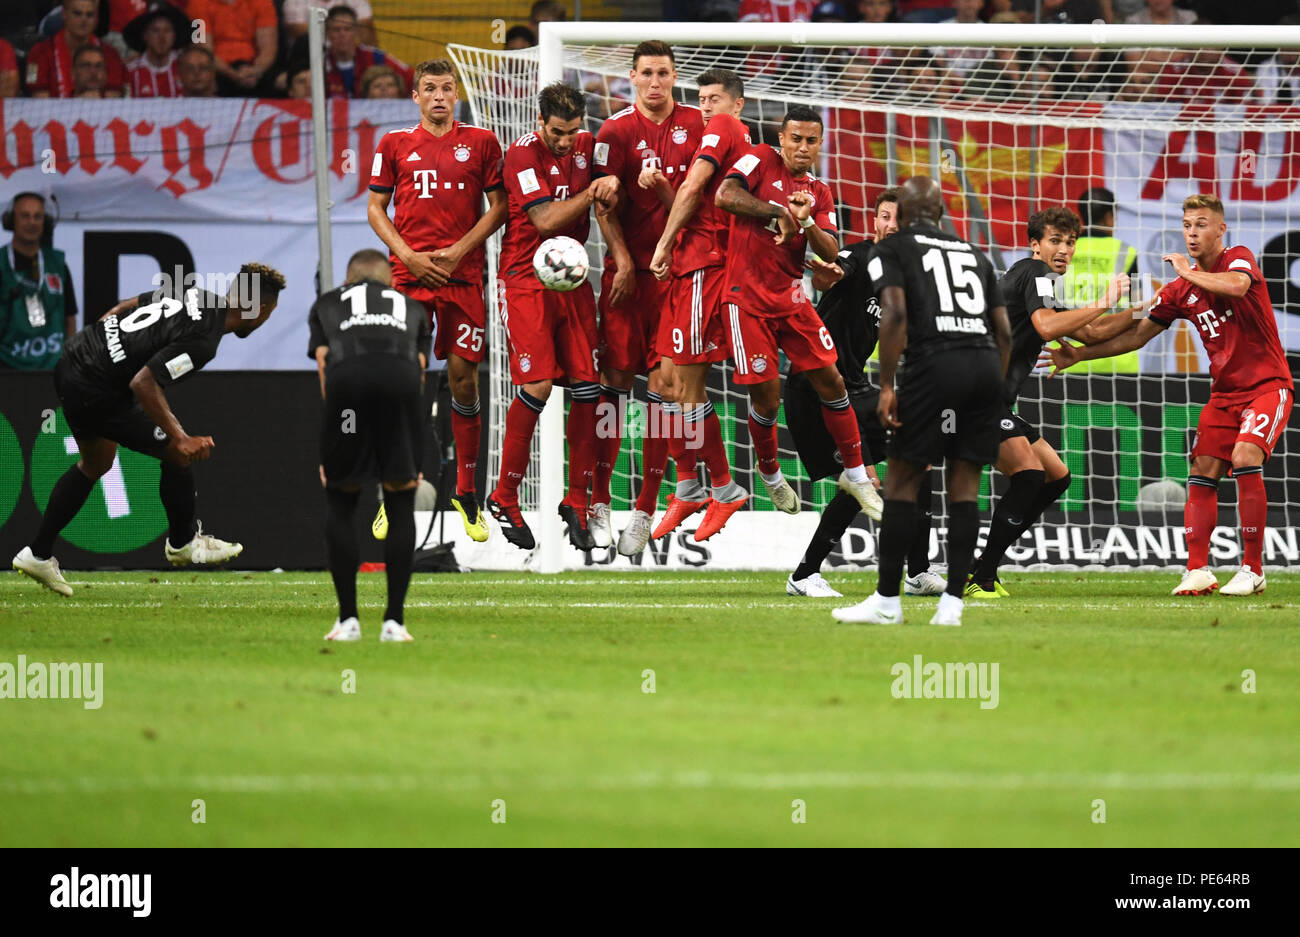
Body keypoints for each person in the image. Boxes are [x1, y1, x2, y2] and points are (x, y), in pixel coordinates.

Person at [1050, 193, 1294, 597]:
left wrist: (1188, 273)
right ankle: (1197, 569)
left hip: (1267, 387)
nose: (1192, 233)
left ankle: (1253, 569)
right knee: (1202, 469)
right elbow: (1136, 337)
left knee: (1245, 457)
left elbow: (1235, 287)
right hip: (1224, 394)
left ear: (1220, 228)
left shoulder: (1239, 258)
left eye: (1201, 224)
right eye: (1187, 225)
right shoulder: (1180, 291)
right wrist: (1079, 354)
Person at [12, 263, 286, 596]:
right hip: (95, 384)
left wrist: (103, 350)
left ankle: (38, 553)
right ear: (259, 309)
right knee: (176, 451)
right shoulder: (205, 340)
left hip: (74, 357)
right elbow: (144, 383)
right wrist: (182, 437)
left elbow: (123, 307)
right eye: (269, 313)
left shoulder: (193, 293)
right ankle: (183, 542)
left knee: (96, 463)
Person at [833, 176, 1011, 628]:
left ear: (905, 214)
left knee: (902, 482)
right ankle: (952, 604)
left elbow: (893, 312)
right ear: (942, 213)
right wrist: (996, 386)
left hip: (934, 365)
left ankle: (887, 601)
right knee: (966, 486)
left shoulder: (893, 249)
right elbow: (1004, 332)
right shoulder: (975, 253)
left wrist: (888, 384)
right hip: (985, 365)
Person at [715, 104, 881, 522]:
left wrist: (805, 223)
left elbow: (831, 251)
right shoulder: (759, 160)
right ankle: (769, 470)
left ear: (820, 143)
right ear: (781, 138)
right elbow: (725, 195)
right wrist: (779, 212)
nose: (802, 148)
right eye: (795, 139)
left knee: (832, 379)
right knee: (768, 399)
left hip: (791, 299)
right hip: (745, 298)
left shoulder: (820, 191)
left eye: (811, 141)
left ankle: (857, 474)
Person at [786, 187, 949, 598]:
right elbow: (832, 270)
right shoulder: (860, 256)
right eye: (884, 216)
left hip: (852, 386)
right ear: (875, 221)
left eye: (900, 219)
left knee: (901, 463)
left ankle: (913, 571)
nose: (891, 225)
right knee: (871, 475)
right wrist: (826, 274)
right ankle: (808, 575)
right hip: (815, 383)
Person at [368, 58, 506, 542]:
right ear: (416, 96)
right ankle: (393, 489)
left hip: (463, 278)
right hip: (408, 278)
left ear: (456, 94)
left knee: (464, 381)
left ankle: (466, 492)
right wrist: (406, 253)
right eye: (430, 89)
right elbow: (374, 207)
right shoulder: (393, 144)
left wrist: (458, 251)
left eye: (448, 88)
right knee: (400, 380)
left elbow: (501, 206)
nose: (440, 96)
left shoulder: (482, 143)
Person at [966, 207, 1130, 598]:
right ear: (1035, 245)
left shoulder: (1041, 283)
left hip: (991, 398)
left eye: (1070, 242)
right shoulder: (1036, 273)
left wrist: (1147, 312)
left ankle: (980, 566)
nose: (1064, 249)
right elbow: (1045, 326)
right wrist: (1108, 297)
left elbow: (1089, 331)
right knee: (1028, 475)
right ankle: (980, 576)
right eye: (1055, 240)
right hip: (974, 393)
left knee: (1057, 477)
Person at [486, 81, 620, 551]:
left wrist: (613, 184)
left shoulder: (588, 145)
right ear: (540, 122)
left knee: (591, 387)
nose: (566, 141)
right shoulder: (521, 155)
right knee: (539, 385)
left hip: (572, 277)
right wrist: (591, 193)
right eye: (557, 132)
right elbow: (544, 221)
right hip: (525, 278)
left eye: (573, 131)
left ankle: (578, 500)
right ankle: (503, 495)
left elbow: (608, 188)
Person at [589, 40, 705, 556]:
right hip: (626, 277)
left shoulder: (699, 127)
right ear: (631, 78)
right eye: (647, 74)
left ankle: (643, 509)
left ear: (674, 77)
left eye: (664, 73)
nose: (656, 82)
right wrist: (622, 261)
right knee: (613, 386)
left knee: (664, 389)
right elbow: (601, 204)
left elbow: (702, 202)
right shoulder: (613, 131)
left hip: (675, 278)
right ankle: (597, 502)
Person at [646, 67, 752, 543]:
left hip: (704, 269)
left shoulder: (725, 128)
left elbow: (693, 194)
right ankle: (688, 484)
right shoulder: (722, 136)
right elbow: (697, 200)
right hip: (691, 267)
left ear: (737, 104)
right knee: (667, 383)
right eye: (702, 99)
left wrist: (663, 245)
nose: (706, 106)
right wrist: (664, 190)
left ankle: (725, 487)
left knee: (688, 386)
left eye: (714, 98)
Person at [311, 249, 429, 644]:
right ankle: (394, 622)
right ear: (389, 280)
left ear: (348, 280)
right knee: (399, 496)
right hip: (400, 386)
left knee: (341, 496)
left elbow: (325, 362)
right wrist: (412, 438)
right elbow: (420, 368)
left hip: (348, 391)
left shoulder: (327, 304)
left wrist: (336, 433)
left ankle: (348, 622)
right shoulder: (411, 306)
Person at [1, 193, 77, 372]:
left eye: (38, 217)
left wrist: (67, 360)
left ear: (46, 223)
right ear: (11, 221)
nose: (32, 222)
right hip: (6, 370)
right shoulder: (2, 263)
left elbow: (70, 318)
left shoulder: (57, 264)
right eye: (25, 216)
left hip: (51, 368)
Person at [26, 0, 127, 98]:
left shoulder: (111, 55)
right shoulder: (38, 53)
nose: (84, 20)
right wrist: (77, 105)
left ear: (97, 19)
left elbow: (113, 99)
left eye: (90, 15)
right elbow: (39, 100)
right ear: (64, 14)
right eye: (77, 13)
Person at [186, 0, 278, 96]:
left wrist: (256, 70)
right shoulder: (196, 4)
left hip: (253, 68)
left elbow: (268, 50)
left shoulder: (263, 2)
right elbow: (203, 50)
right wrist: (232, 74)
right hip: (217, 69)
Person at [124, 3, 187, 98]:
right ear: (145, 36)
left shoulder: (186, 67)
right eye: (155, 30)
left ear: (174, 36)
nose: (162, 37)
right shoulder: (131, 72)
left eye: (167, 30)